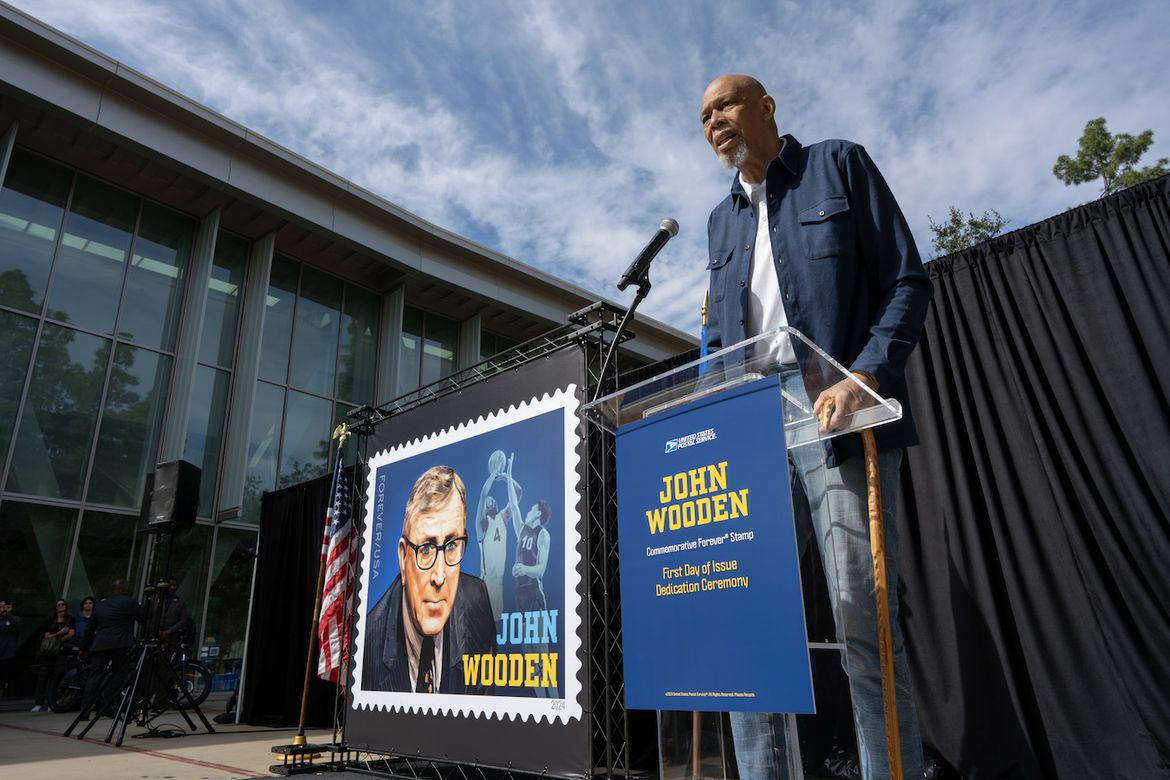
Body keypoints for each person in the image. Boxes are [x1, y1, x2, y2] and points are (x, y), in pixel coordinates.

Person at [697, 74, 931, 779]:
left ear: (766, 108)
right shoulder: (718, 222)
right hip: (745, 421)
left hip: (831, 407)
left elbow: (907, 281)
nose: (714, 122)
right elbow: (721, 338)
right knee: (748, 629)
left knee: (861, 616)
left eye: (725, 106)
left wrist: (863, 375)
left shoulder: (839, 164)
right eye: (703, 117)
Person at [362, 465, 496, 693]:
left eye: (452, 545)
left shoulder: (477, 601)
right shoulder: (368, 646)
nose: (440, 576)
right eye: (426, 549)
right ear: (403, 558)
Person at [79, 579, 143, 718]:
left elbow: (89, 630)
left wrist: (83, 649)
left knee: (94, 677)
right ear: (124, 588)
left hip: (100, 644)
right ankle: (108, 704)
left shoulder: (101, 605)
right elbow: (144, 617)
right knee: (119, 674)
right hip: (120, 643)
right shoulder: (130, 602)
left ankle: (85, 711)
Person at [31, 598, 74, 712]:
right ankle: (39, 703)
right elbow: (46, 636)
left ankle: (52, 702)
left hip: (61, 652)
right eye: (58, 605)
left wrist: (57, 638)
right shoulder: (50, 620)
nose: (60, 606)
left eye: (63, 604)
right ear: (55, 608)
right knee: (43, 677)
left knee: (56, 678)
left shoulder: (70, 619)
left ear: (66, 606)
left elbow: (71, 633)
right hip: (48, 652)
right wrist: (59, 634)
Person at [158, 579, 191, 650]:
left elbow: (183, 620)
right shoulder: (156, 599)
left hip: (171, 638)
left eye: (174, 586)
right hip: (155, 635)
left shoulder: (180, 602)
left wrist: (169, 631)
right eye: (170, 585)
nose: (172, 588)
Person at [0, 599, 21, 698]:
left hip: (9, 656)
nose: (2, 609)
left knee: (9, 680)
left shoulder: (14, 618)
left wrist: (8, 614)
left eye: (4, 606)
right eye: (0, 607)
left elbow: (16, 625)